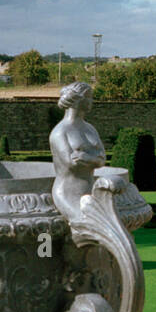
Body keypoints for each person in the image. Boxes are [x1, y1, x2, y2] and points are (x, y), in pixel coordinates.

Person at [50, 81, 106, 221]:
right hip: (67, 192)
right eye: (88, 96)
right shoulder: (60, 131)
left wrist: (83, 156)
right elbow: (71, 163)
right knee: (90, 225)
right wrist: (94, 158)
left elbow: (102, 159)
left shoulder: (90, 128)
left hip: (91, 191)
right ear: (76, 99)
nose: (91, 100)